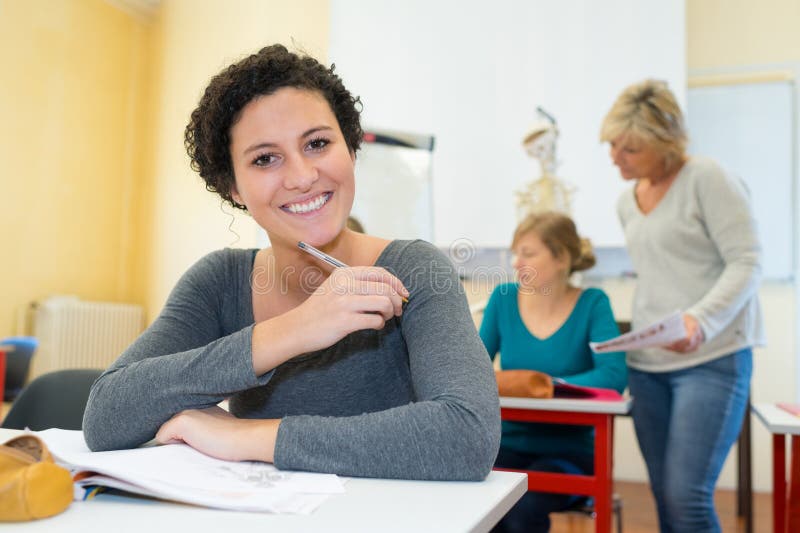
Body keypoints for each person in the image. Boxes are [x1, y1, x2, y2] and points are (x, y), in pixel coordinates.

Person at [82, 44, 500, 481]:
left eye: (317, 143)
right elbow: (105, 417)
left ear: (351, 149)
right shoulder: (219, 282)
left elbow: (468, 437)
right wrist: (296, 330)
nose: (301, 177)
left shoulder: (415, 269)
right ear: (233, 187)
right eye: (265, 158)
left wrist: (245, 438)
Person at [600, 79, 764, 532]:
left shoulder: (706, 178)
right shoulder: (626, 202)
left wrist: (701, 319)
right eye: (613, 145)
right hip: (650, 366)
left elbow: (747, 261)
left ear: (664, 143)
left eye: (629, 149)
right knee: (664, 499)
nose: (615, 156)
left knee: (685, 496)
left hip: (712, 360)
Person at [480, 211, 627, 533]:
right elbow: (472, 370)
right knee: (482, 508)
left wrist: (542, 387)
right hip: (506, 444)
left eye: (528, 253)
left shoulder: (593, 303)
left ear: (561, 258)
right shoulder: (502, 299)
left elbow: (614, 376)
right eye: (516, 253)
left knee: (520, 513)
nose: (516, 263)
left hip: (571, 453)